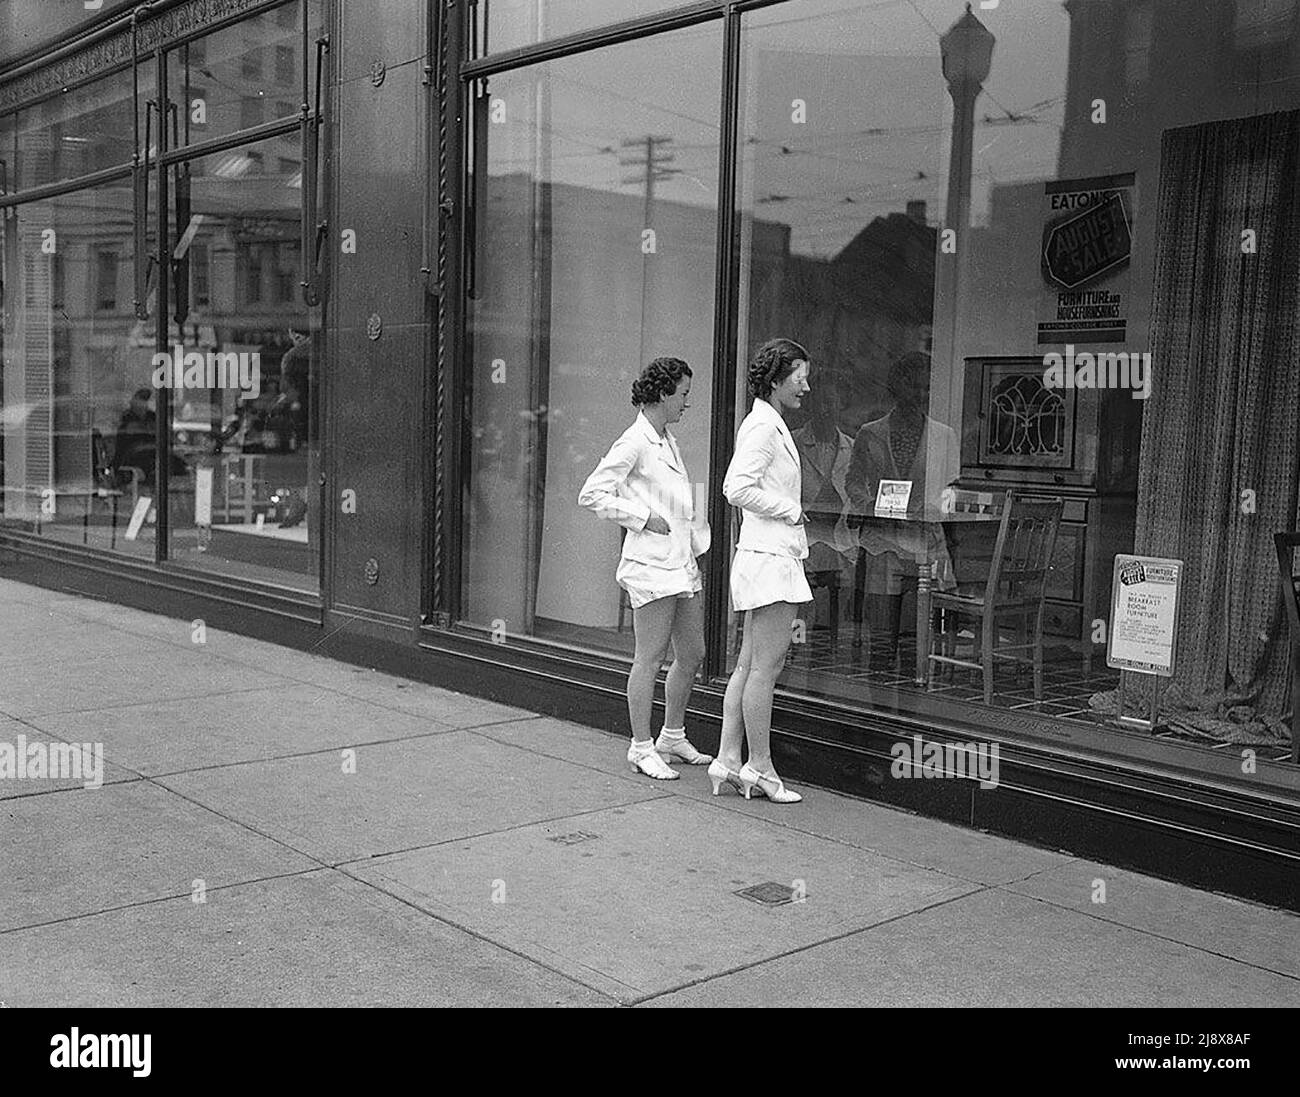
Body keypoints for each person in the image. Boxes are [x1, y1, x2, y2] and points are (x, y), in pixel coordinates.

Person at [578, 357, 712, 780]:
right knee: (649, 658)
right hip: (651, 567)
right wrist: (640, 516)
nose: (687, 402)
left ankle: (671, 735)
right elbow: (592, 493)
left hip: (680, 564)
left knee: (692, 654)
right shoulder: (634, 441)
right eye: (683, 394)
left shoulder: (665, 438)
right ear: (662, 393)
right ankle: (640, 746)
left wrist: (694, 541)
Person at [711, 337, 812, 804]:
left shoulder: (766, 422)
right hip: (770, 560)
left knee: (749, 665)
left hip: (764, 557)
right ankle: (761, 767)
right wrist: (789, 509)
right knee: (764, 671)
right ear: (776, 380)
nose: (805, 387)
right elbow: (736, 487)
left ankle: (729, 759)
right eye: (799, 378)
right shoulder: (764, 428)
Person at [846, 351, 960, 654]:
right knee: (882, 636)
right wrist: (870, 506)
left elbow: (953, 486)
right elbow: (853, 481)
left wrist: (936, 506)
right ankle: (881, 675)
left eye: (924, 387)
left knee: (919, 633)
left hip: (925, 539)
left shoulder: (943, 436)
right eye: (911, 385)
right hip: (882, 540)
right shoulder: (870, 434)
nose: (918, 394)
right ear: (895, 387)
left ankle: (916, 673)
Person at [791, 379, 855, 627]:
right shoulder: (793, 443)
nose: (826, 409)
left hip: (840, 538)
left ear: (842, 405)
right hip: (803, 535)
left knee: (843, 582)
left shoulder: (851, 447)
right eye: (821, 403)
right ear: (810, 406)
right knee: (800, 600)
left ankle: (830, 645)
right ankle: (798, 643)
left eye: (832, 402)